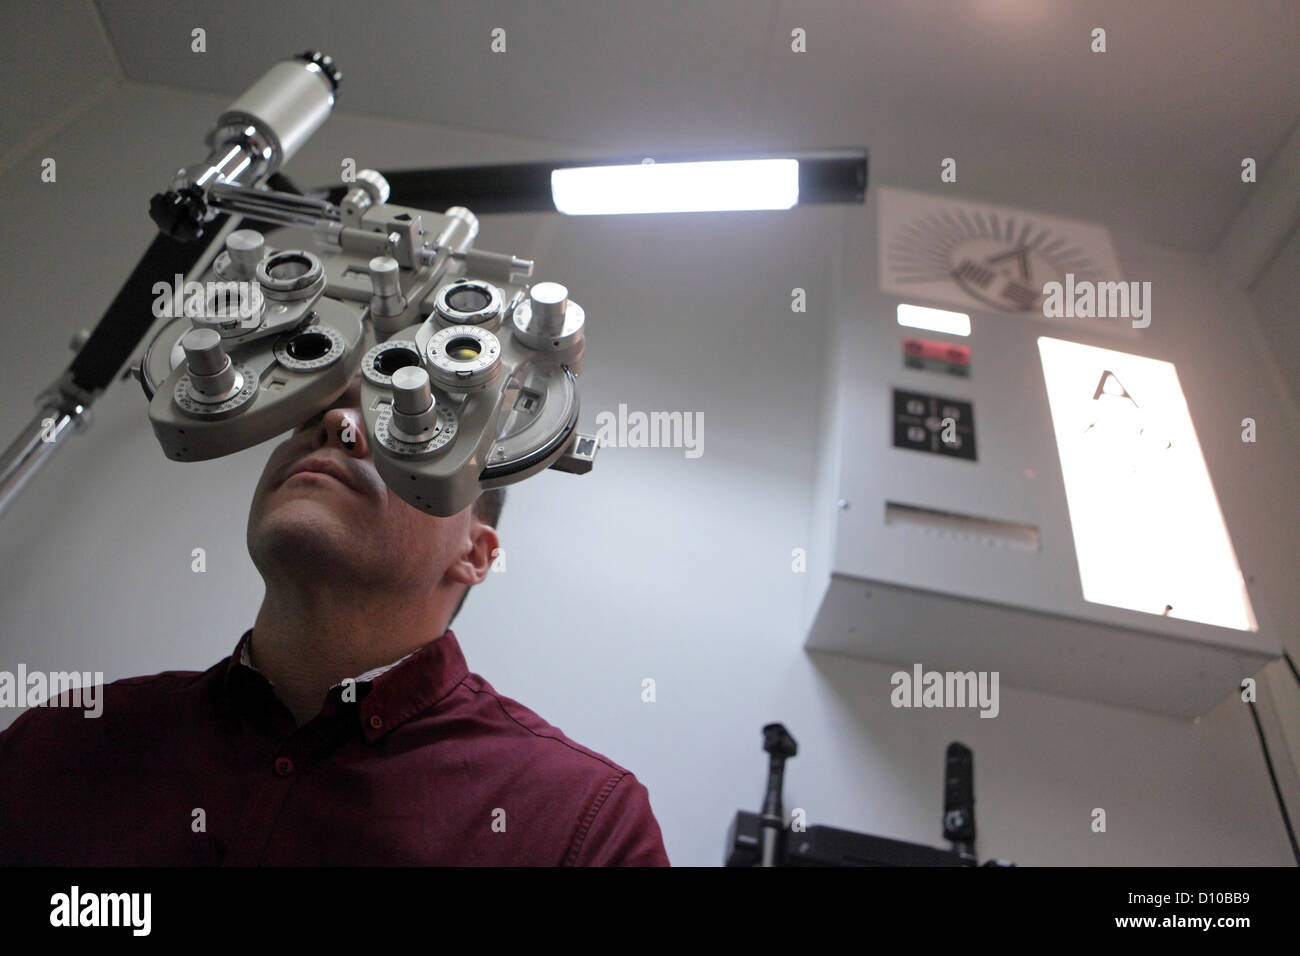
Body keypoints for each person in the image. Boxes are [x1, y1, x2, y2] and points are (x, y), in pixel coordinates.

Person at [0, 373, 669, 865]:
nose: (336, 426)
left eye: (404, 430)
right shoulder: (57, 742)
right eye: (312, 415)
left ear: (476, 551)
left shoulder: (583, 824)